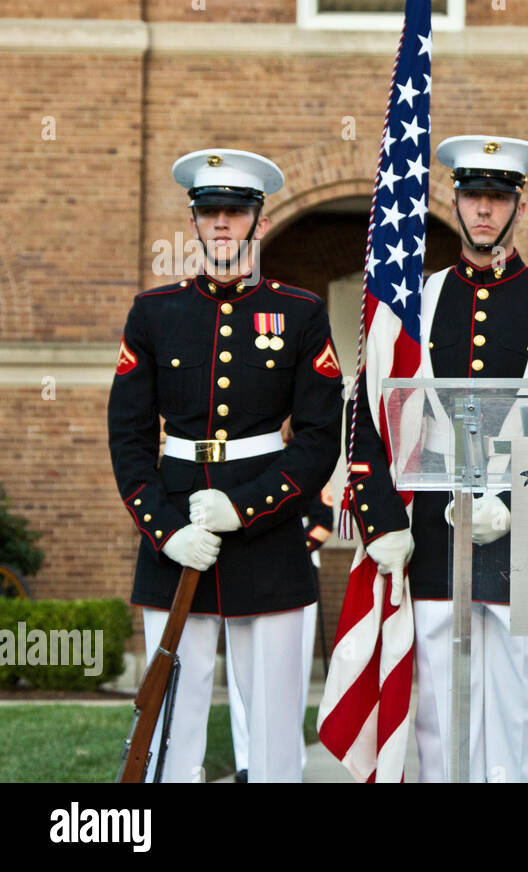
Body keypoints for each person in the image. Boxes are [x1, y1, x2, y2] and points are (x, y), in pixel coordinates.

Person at [345, 135, 528, 782]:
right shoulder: (412, 303)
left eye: (497, 197)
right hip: (433, 531)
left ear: (521, 206)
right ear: (453, 201)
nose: (483, 210)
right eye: (472, 195)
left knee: (522, 711)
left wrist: (516, 499)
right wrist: (381, 523)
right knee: (436, 713)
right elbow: (371, 415)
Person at [108, 148, 343, 782]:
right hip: (177, 534)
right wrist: (165, 527)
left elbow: (320, 437)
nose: (221, 223)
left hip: (268, 538)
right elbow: (128, 436)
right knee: (169, 724)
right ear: (193, 222)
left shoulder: (300, 312)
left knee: (271, 730)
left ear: (259, 222)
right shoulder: (155, 312)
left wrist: (244, 507)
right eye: (209, 211)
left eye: (235, 212)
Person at [227, 480, 333, 783]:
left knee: (290, 674)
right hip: (245, 567)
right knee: (240, 677)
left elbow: (323, 522)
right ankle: (246, 761)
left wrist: (286, 549)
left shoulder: (305, 463)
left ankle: (290, 758)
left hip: (294, 570)